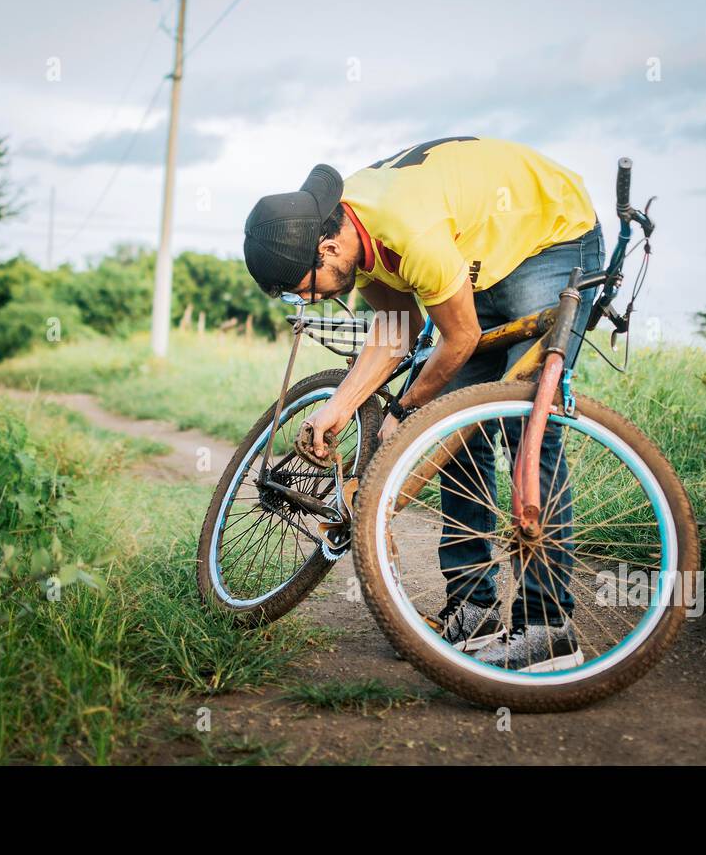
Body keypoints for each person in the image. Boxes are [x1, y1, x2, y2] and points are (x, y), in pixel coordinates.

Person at [241, 136, 603, 669]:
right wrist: (338, 407)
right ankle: (473, 609)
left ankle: (549, 628)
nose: (311, 301)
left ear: (327, 250)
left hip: (548, 237)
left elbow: (457, 339)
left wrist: (403, 411)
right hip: (480, 253)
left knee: (527, 423)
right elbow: (398, 330)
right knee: (452, 435)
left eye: (305, 289)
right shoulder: (354, 237)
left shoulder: (406, 229)